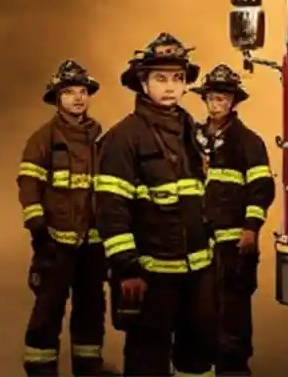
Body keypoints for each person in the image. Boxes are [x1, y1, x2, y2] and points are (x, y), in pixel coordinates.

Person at [95, 33, 215, 377]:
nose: (170, 86)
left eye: (178, 78)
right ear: (142, 83)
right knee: (148, 357)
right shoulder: (123, 138)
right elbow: (111, 209)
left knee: (199, 354)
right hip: (150, 274)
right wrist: (127, 270)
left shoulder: (192, 130)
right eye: (160, 78)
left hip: (198, 270)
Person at [18, 60, 110, 376]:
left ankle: (88, 367)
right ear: (57, 98)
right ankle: (41, 369)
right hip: (55, 243)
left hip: (93, 244)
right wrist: (39, 232)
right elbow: (29, 186)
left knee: (91, 310)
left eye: (83, 91)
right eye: (69, 92)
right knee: (48, 311)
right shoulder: (43, 139)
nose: (78, 98)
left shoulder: (100, 138)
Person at [192, 64, 274, 376]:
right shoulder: (194, 139)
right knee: (199, 310)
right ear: (205, 99)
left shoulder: (248, 142)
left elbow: (262, 188)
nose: (218, 103)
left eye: (224, 98)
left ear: (233, 101)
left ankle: (233, 369)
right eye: (213, 97)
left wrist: (251, 229)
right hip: (199, 240)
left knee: (233, 313)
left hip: (234, 243)